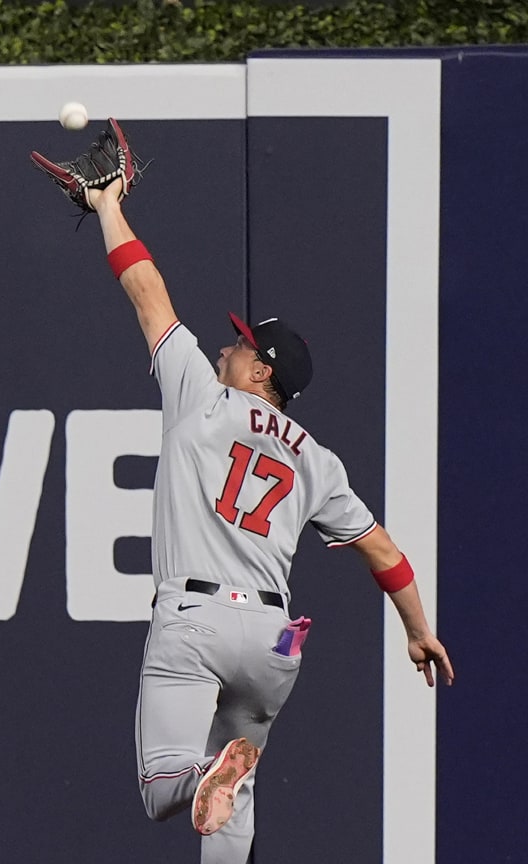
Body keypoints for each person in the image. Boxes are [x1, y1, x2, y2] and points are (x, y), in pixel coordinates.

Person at [81, 174, 454, 863]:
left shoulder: (205, 396)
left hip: (196, 621)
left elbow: (146, 292)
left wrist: (108, 206)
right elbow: (383, 552)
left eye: (243, 347)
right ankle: (222, 776)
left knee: (166, 787)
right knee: (234, 801)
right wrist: (419, 630)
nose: (228, 348)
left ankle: (202, 774)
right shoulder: (319, 458)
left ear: (261, 376)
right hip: (275, 642)